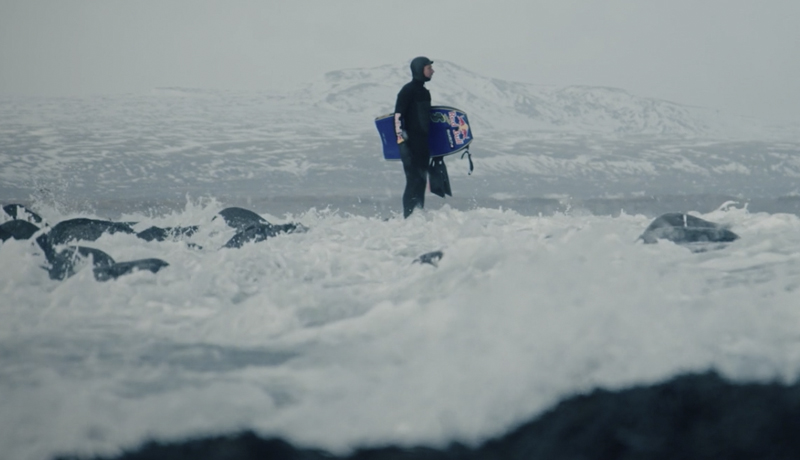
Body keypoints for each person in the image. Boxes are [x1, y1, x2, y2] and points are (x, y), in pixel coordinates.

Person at [394, 57, 434, 218]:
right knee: (413, 180)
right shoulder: (407, 90)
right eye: (428, 68)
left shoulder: (423, 91)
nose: (432, 71)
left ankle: (417, 216)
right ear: (419, 70)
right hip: (409, 144)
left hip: (422, 145)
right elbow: (397, 117)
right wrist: (401, 141)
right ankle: (408, 217)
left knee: (422, 181)